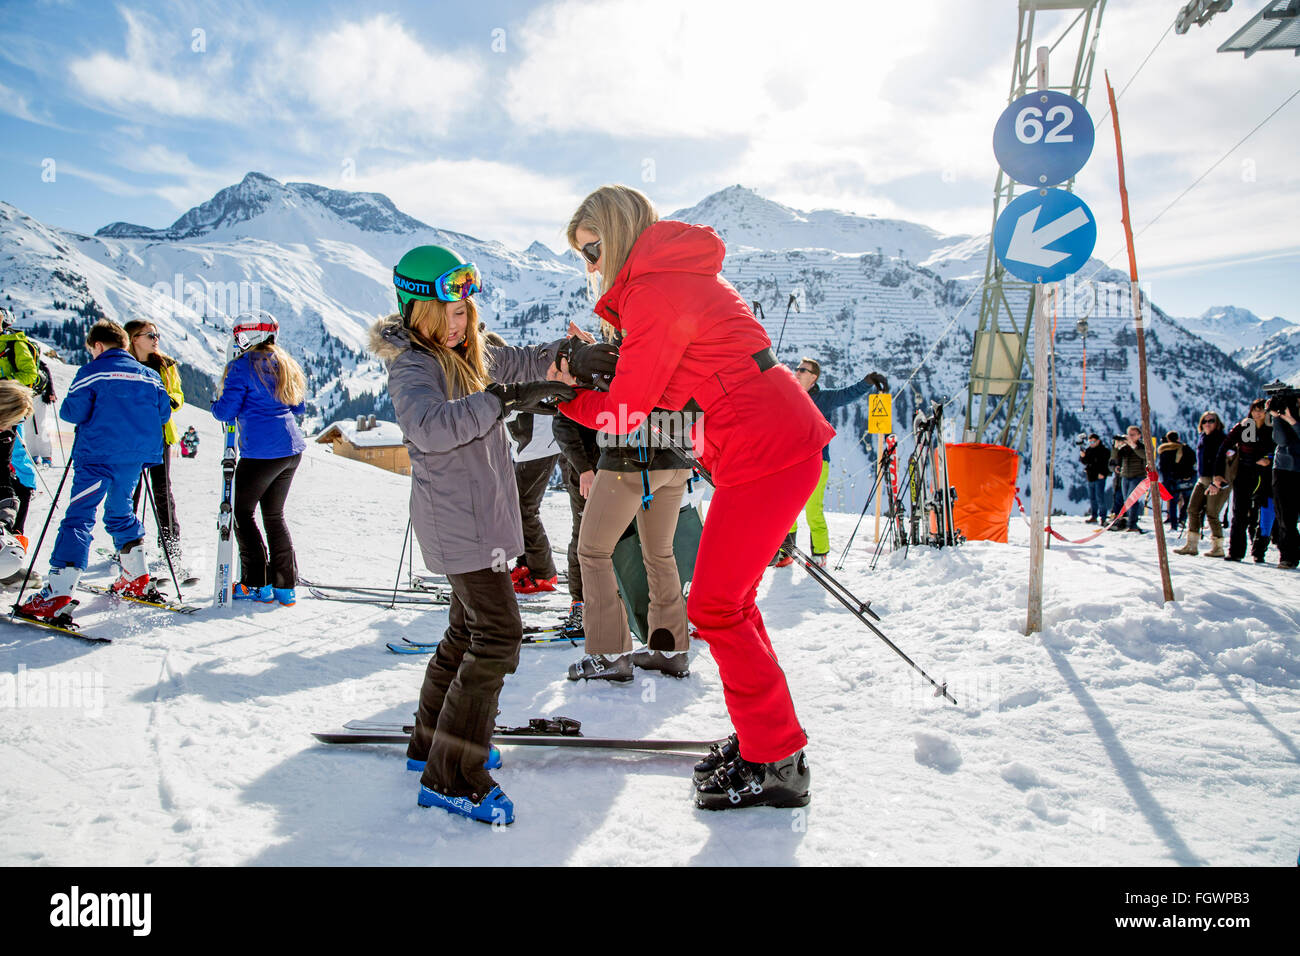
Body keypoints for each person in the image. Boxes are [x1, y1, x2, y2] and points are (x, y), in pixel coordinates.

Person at [554, 185, 832, 811]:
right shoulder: (670, 276)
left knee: (717, 607)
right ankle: (770, 741)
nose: (592, 266)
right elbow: (658, 404)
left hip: (766, 452)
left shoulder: (654, 290)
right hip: (765, 447)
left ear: (620, 233)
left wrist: (565, 397)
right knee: (728, 602)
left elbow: (626, 410)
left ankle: (778, 765)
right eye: (583, 256)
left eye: (594, 249)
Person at [372, 244, 573, 826]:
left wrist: (567, 358)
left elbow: (522, 362)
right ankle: (452, 775)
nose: (463, 324)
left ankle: (429, 745)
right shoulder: (413, 365)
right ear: (420, 311)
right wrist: (500, 402)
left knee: (465, 632)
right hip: (457, 521)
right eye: (450, 314)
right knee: (498, 635)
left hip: (480, 518)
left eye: (467, 312)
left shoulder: (467, 351)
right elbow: (430, 429)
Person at [17, 320, 171, 623]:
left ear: (97, 346)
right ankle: (136, 578)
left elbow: (72, 412)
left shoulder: (93, 371)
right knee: (120, 512)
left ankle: (57, 594)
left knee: (79, 516)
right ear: (125, 345)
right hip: (134, 458)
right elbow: (163, 412)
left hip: (97, 456)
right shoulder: (151, 376)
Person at [210, 312, 307, 606]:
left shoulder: (241, 367)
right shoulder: (285, 363)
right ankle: (284, 587)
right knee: (274, 516)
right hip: (291, 449)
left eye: (240, 336)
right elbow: (298, 407)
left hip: (261, 452)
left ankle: (255, 583)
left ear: (250, 336)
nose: (237, 342)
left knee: (242, 515)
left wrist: (217, 401)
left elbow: (225, 411)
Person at [774, 358, 887, 566]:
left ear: (813, 377)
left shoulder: (824, 398)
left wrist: (867, 382)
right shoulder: (788, 395)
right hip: (790, 462)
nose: (797, 372)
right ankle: (786, 552)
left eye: (803, 370)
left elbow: (848, 394)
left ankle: (820, 554)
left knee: (813, 509)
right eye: (797, 369)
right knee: (786, 507)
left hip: (817, 461)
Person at [123, 319, 187, 576]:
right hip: (130, 436)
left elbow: (178, 395)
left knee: (162, 491)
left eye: (157, 334)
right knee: (132, 492)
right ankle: (129, 546)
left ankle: (171, 547)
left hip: (160, 435)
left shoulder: (165, 364)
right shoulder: (124, 364)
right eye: (150, 334)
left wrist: (169, 402)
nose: (156, 338)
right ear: (134, 338)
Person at [1215, 400, 1275, 563]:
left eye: (1261, 410)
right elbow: (1224, 447)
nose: (1258, 413)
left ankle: (1259, 551)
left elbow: (1278, 448)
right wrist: (1218, 473)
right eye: (1255, 410)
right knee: (1239, 513)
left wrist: (1268, 459)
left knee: (1266, 514)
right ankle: (1235, 552)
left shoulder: (1273, 427)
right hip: (1245, 473)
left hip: (1267, 475)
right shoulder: (1242, 426)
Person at [1175, 411, 1229, 557]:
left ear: (1217, 422)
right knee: (1192, 509)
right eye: (1204, 421)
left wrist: (1217, 481)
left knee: (1212, 513)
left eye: (1211, 421)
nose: (1207, 424)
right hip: (1202, 478)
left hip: (1216, 480)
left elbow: (1223, 461)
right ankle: (1191, 545)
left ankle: (1218, 547)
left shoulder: (1221, 439)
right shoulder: (1203, 437)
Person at [0, 380, 36, 589]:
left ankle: (5, 564)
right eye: (10, 421)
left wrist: (7, 503)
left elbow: (2, 469)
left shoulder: (7, 432)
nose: (10, 427)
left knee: (20, 489)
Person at [1269, 394, 1300, 569]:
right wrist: (1278, 418)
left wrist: (1293, 421)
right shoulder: (1284, 415)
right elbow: (1280, 440)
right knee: (1284, 516)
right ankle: (1288, 556)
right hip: (1283, 469)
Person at [1109, 426, 1149, 533]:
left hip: (1138, 476)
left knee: (1131, 500)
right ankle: (1130, 523)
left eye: (1133, 435)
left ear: (1139, 436)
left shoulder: (1142, 446)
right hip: (1125, 476)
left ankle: (1133, 524)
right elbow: (1114, 457)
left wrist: (1133, 446)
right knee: (1127, 501)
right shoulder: (1125, 447)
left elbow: (1145, 456)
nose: (1130, 437)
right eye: (1129, 434)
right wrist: (1116, 447)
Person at [1080, 433, 1110, 523]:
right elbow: (1086, 462)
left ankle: (1103, 517)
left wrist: (1103, 473)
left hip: (1099, 477)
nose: (1091, 443)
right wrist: (1083, 457)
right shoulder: (1089, 450)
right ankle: (1094, 515)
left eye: (1093, 441)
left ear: (1098, 441)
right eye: (1090, 442)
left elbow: (1106, 464)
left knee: (1100, 497)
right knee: (1092, 498)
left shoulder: (1104, 451)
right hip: (1090, 476)